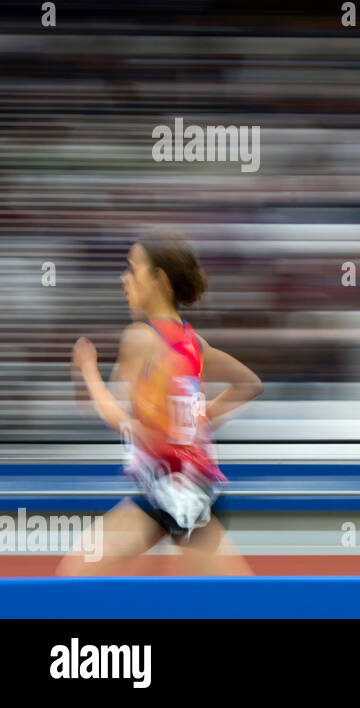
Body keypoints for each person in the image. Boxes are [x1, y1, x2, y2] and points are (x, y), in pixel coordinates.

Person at [59, 231, 261, 576]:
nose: (124, 279)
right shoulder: (192, 341)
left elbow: (117, 417)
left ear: (160, 280)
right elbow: (248, 385)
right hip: (181, 491)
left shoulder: (140, 338)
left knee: (74, 576)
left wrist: (89, 372)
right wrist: (199, 421)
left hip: (177, 493)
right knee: (225, 599)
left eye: (132, 269)